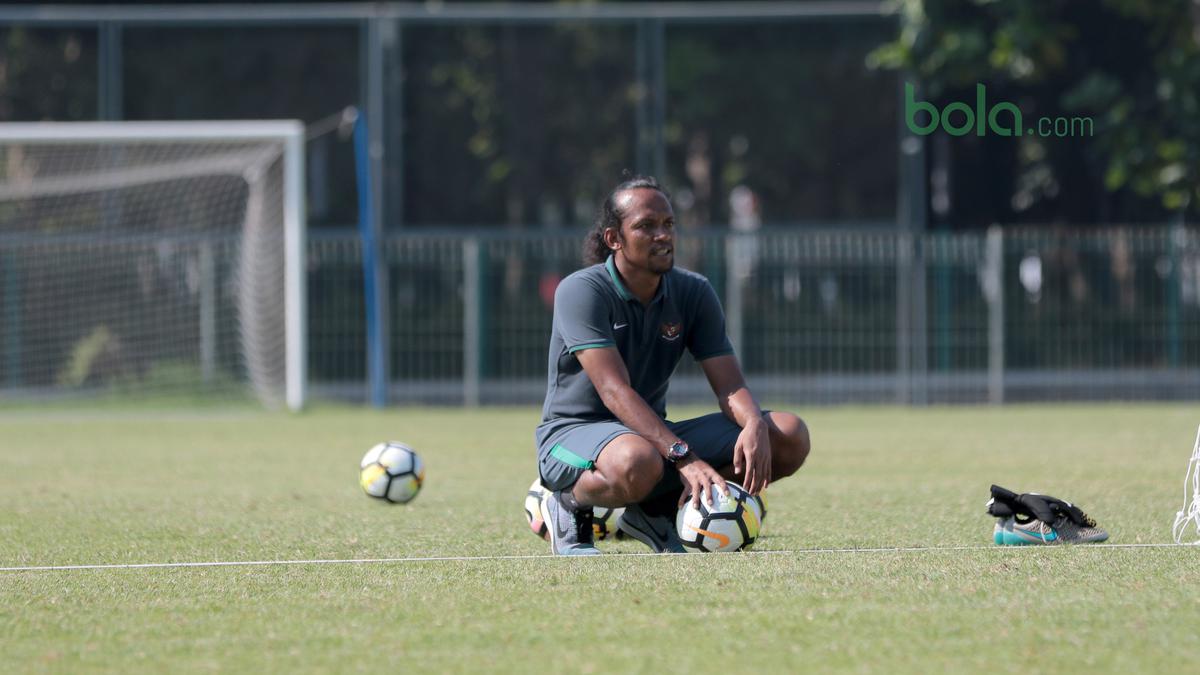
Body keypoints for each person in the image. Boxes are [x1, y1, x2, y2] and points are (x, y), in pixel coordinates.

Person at [533, 174, 811, 555]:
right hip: (571, 437)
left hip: (651, 439)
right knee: (636, 459)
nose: (662, 235)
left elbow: (729, 386)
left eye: (668, 224)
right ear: (614, 239)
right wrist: (684, 457)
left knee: (789, 435)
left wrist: (754, 424)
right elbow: (615, 392)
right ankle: (568, 506)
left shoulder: (693, 291)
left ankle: (653, 511)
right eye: (646, 226)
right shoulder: (581, 291)